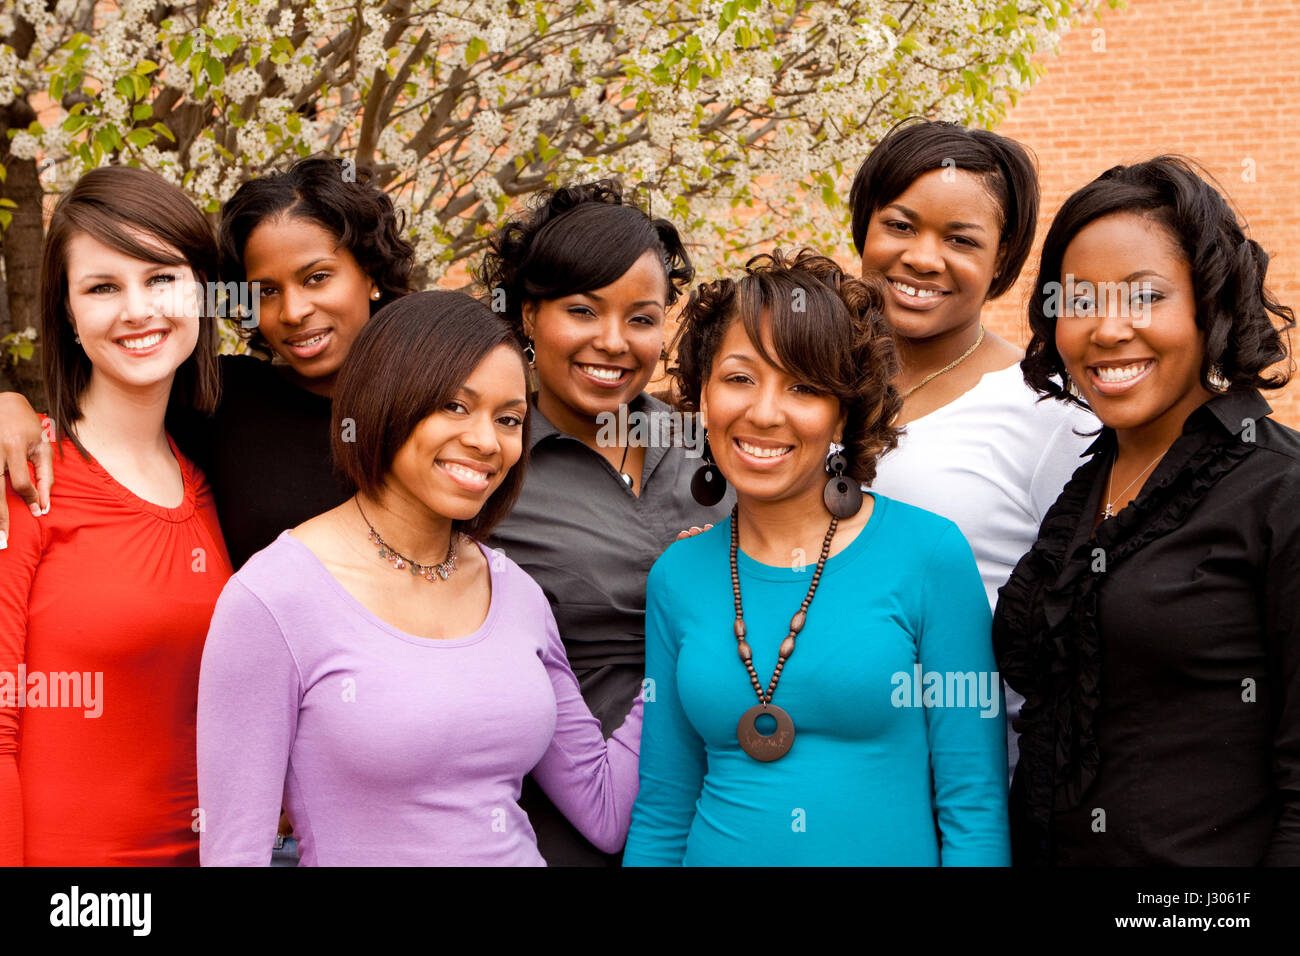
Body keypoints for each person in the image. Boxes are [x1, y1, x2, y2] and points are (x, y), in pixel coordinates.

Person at [197, 291, 643, 866]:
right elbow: (236, 854)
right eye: (456, 407)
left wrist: (687, 622)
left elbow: (604, 809)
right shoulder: (275, 597)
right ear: (387, 401)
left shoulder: (515, 591)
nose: (486, 441)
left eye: (509, 419)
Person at [623, 250, 1009, 866]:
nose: (765, 412)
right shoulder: (678, 576)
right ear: (701, 394)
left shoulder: (930, 554)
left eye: (803, 386)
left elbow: (974, 805)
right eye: (739, 378)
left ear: (844, 412)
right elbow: (664, 806)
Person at [995, 156, 1300, 865]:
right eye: (1078, 301)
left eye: (1144, 297)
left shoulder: (1278, 491)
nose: (1106, 330)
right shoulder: (1087, 485)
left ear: (1210, 304)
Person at [477, 181, 733, 865]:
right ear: (529, 317)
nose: (613, 342)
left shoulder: (711, 449)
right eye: (582, 311)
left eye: (642, 318)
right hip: (571, 821)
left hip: (732, 806)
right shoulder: (487, 471)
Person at [0, 155, 415, 570]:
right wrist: (11, 406)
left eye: (317, 277)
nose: (293, 311)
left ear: (371, 273)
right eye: (266, 290)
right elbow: (120, 401)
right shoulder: (223, 400)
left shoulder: (439, 399)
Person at [848, 119, 1096, 776]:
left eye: (961, 239)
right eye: (900, 226)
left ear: (1003, 257)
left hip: (969, 789)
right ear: (863, 227)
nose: (923, 259)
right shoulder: (810, 388)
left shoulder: (1051, 412)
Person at [0, 166, 232, 865]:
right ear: (68, 314)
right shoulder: (24, 473)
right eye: (103, 287)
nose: (139, 310)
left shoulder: (214, 481)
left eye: (161, 278)